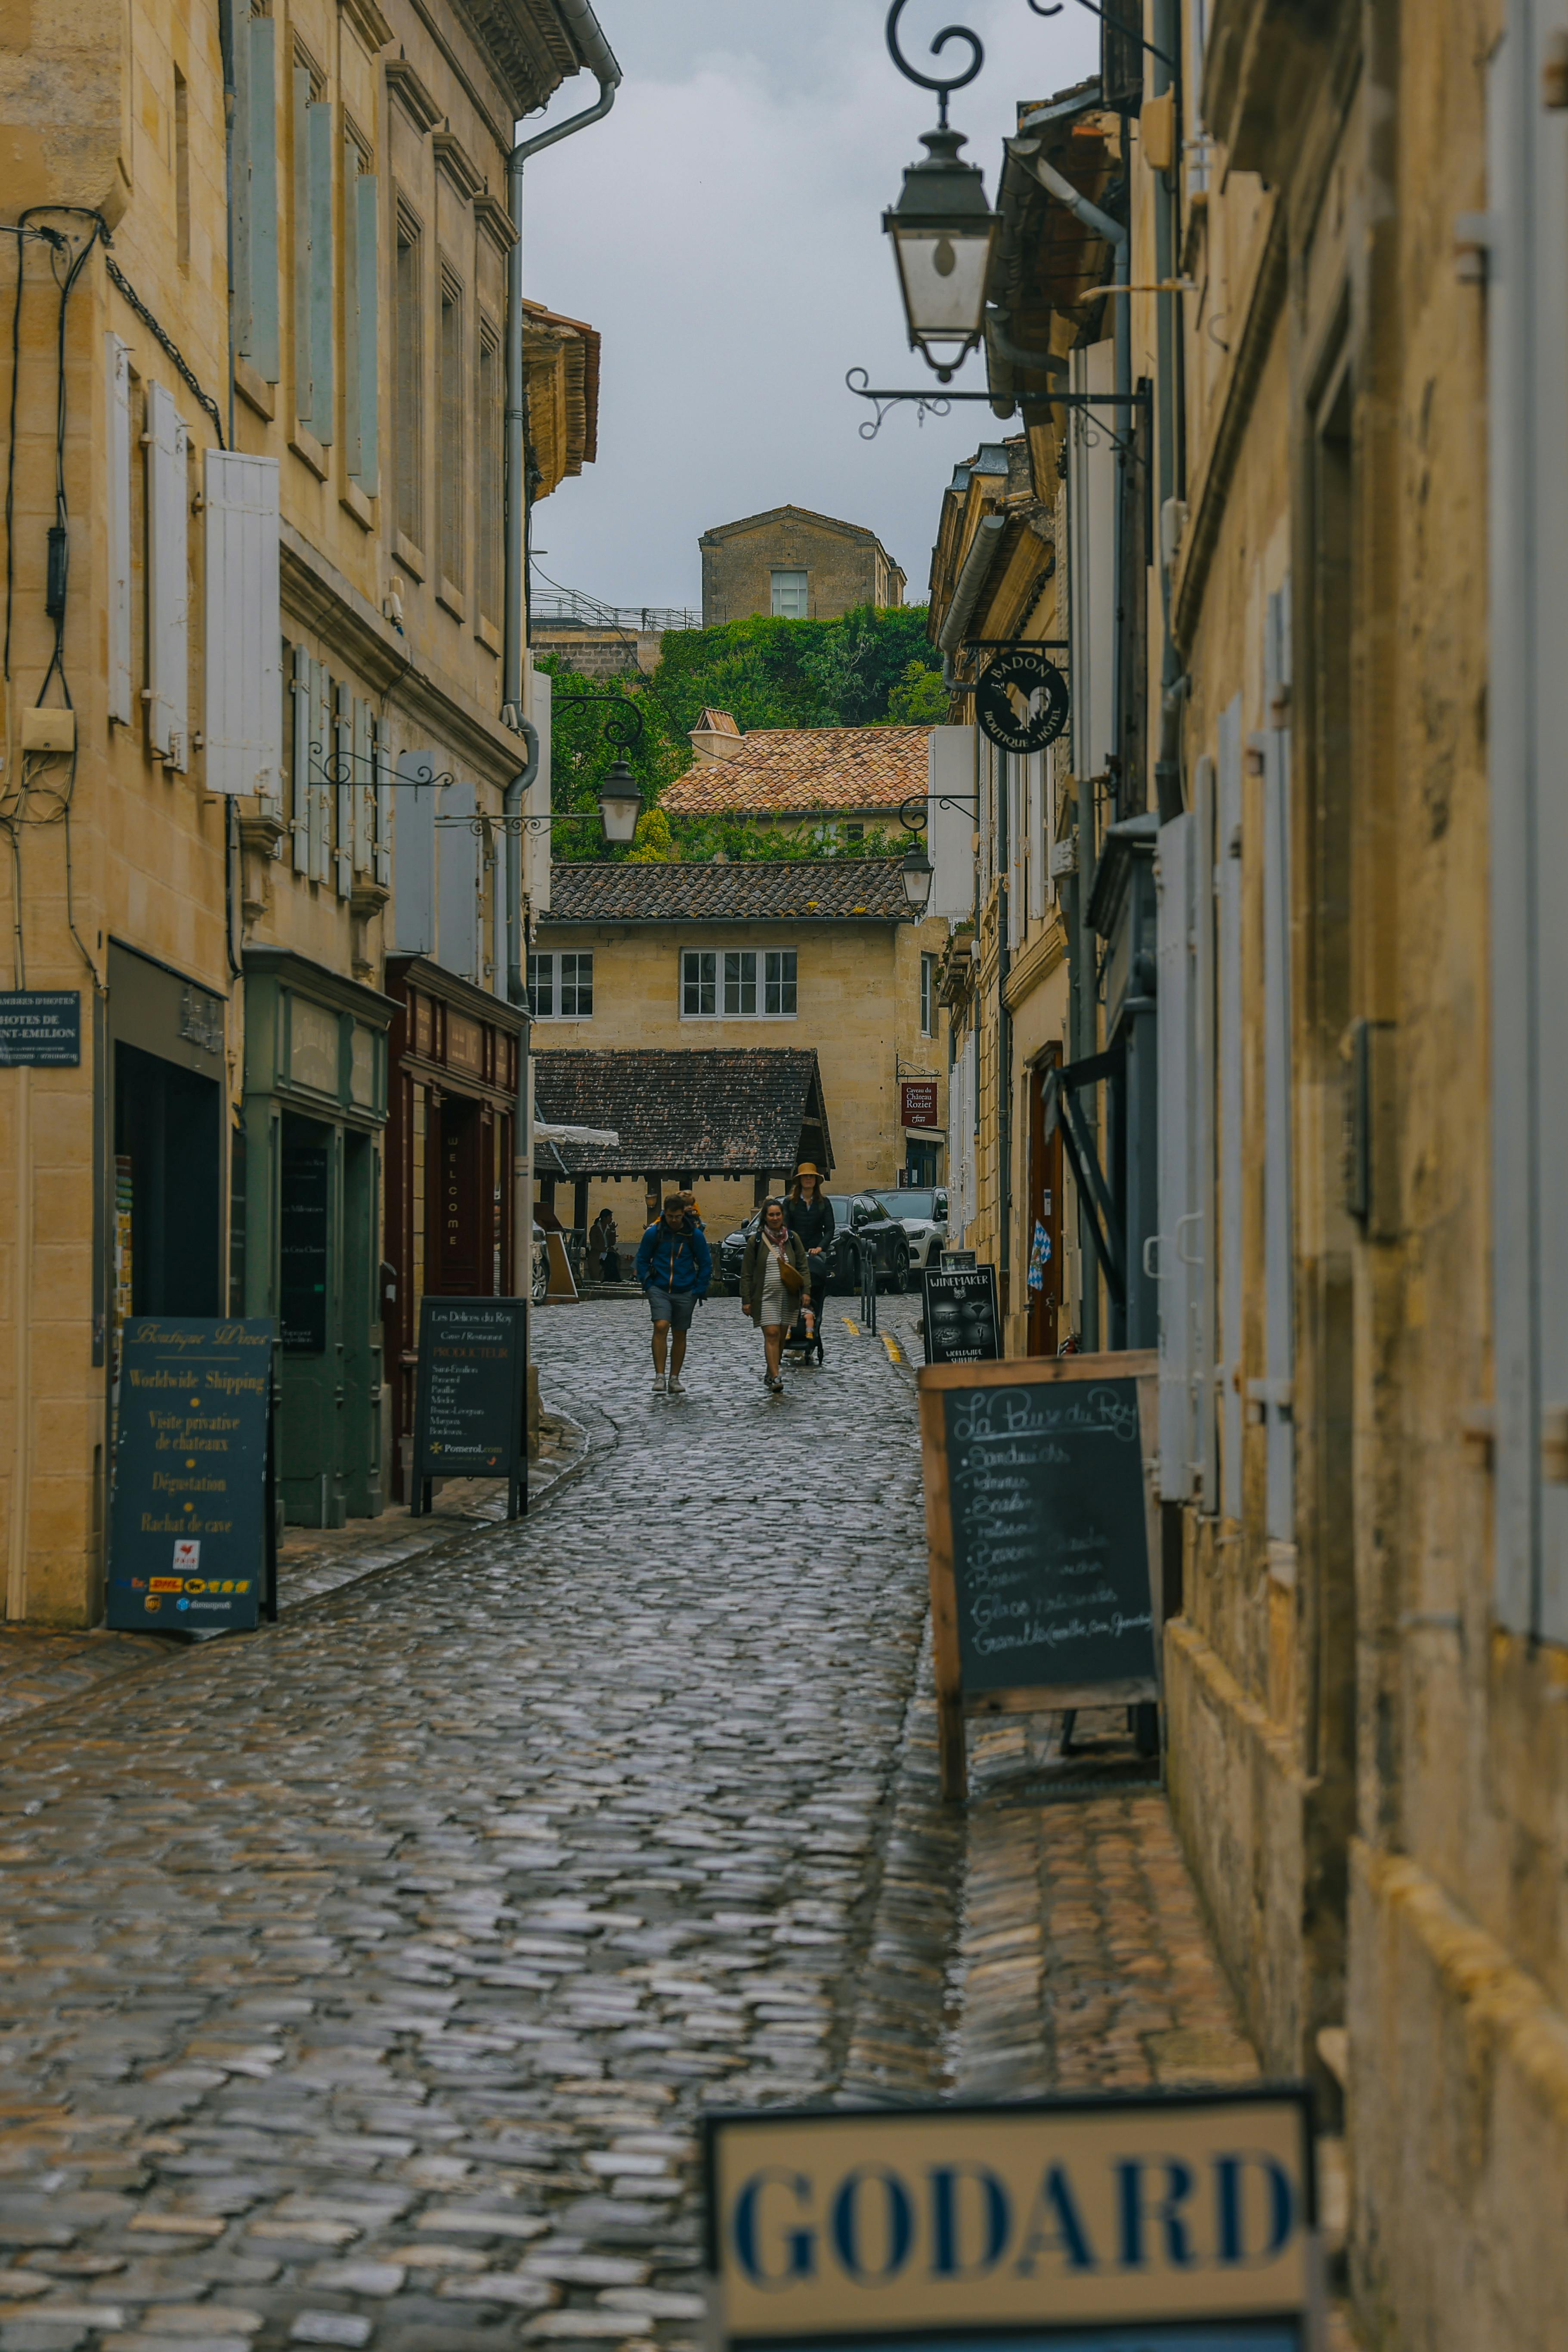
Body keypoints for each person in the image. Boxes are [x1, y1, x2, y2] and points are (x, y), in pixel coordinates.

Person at [635, 1193, 711, 1395]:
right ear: (665, 1214)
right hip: (659, 1288)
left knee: (680, 1333)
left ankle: (674, 1378)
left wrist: (698, 1290)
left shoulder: (694, 1235)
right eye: (671, 1217)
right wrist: (647, 1283)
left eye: (678, 1217)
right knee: (661, 1326)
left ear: (683, 1214)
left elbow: (706, 1263)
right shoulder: (655, 1233)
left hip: (686, 1290)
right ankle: (660, 1375)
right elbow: (642, 1259)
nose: (675, 1221)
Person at [741, 1197, 809, 1394]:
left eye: (778, 1214)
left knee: (780, 1338)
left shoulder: (792, 1239)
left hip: (788, 1296)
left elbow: (803, 1267)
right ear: (765, 1217)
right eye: (771, 1215)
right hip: (765, 1297)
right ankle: (776, 1376)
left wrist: (806, 1291)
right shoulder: (756, 1242)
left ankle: (771, 1372)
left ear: (783, 1216)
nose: (775, 1218)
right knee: (771, 1334)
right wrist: (746, 1300)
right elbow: (747, 1273)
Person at [785, 1162, 835, 1365]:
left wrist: (821, 1248)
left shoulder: (824, 1203)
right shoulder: (790, 1203)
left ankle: (811, 1332)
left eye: (812, 1177)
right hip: (796, 1253)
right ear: (799, 1181)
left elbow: (830, 1229)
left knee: (815, 1290)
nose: (808, 1180)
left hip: (815, 1253)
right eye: (805, 1177)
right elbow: (786, 1229)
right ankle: (793, 1333)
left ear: (816, 1181)